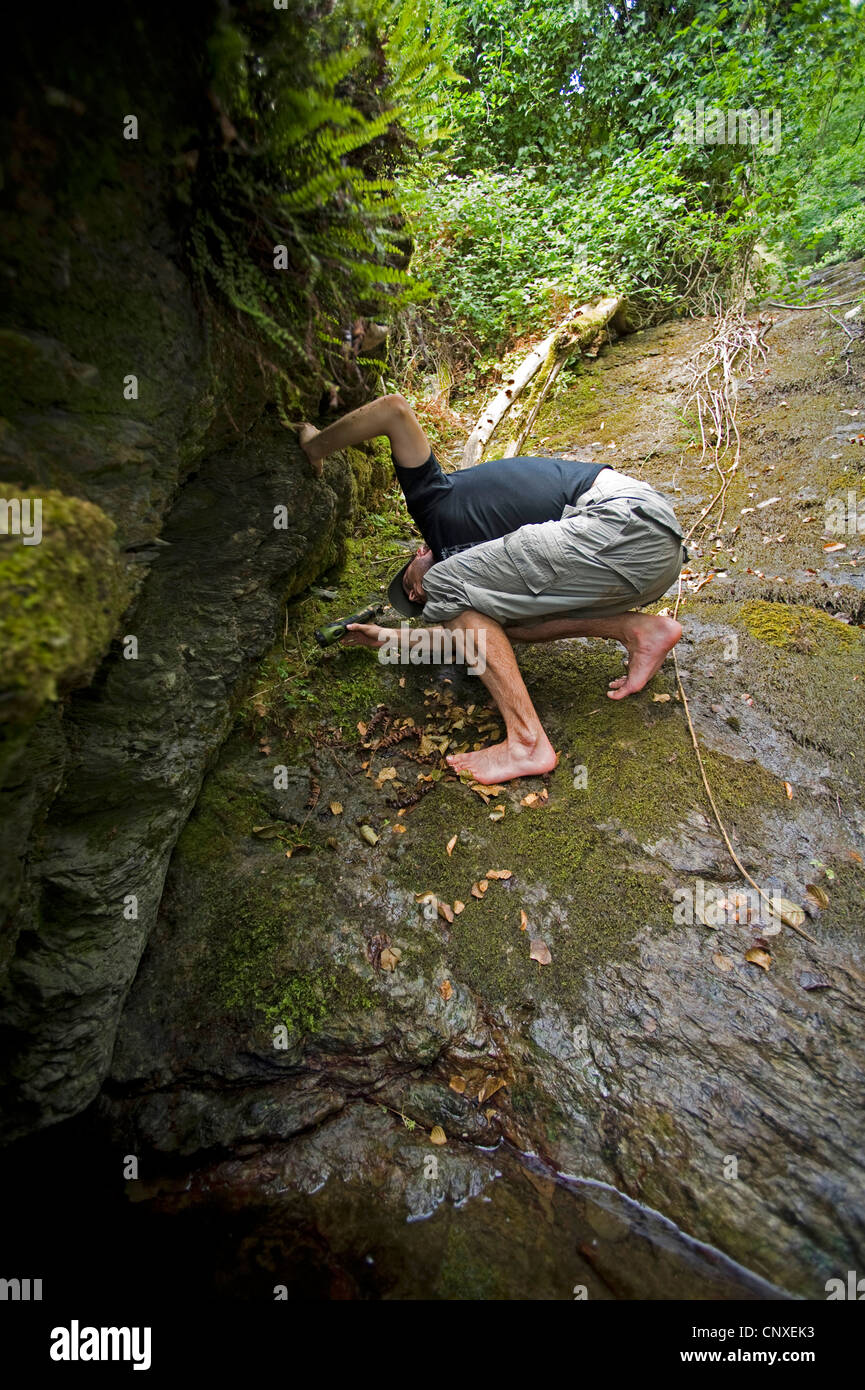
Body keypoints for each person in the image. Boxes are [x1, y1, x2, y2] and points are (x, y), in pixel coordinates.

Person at [298, 394, 685, 785]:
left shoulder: (433, 504)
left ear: (421, 551)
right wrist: (384, 639)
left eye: (407, 586)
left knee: (446, 586)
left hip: (618, 517)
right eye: (414, 604)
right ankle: (639, 630)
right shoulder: (490, 578)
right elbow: (471, 637)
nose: (416, 598)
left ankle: (527, 743)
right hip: (652, 559)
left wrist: (315, 445)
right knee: (510, 627)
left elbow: (393, 411)